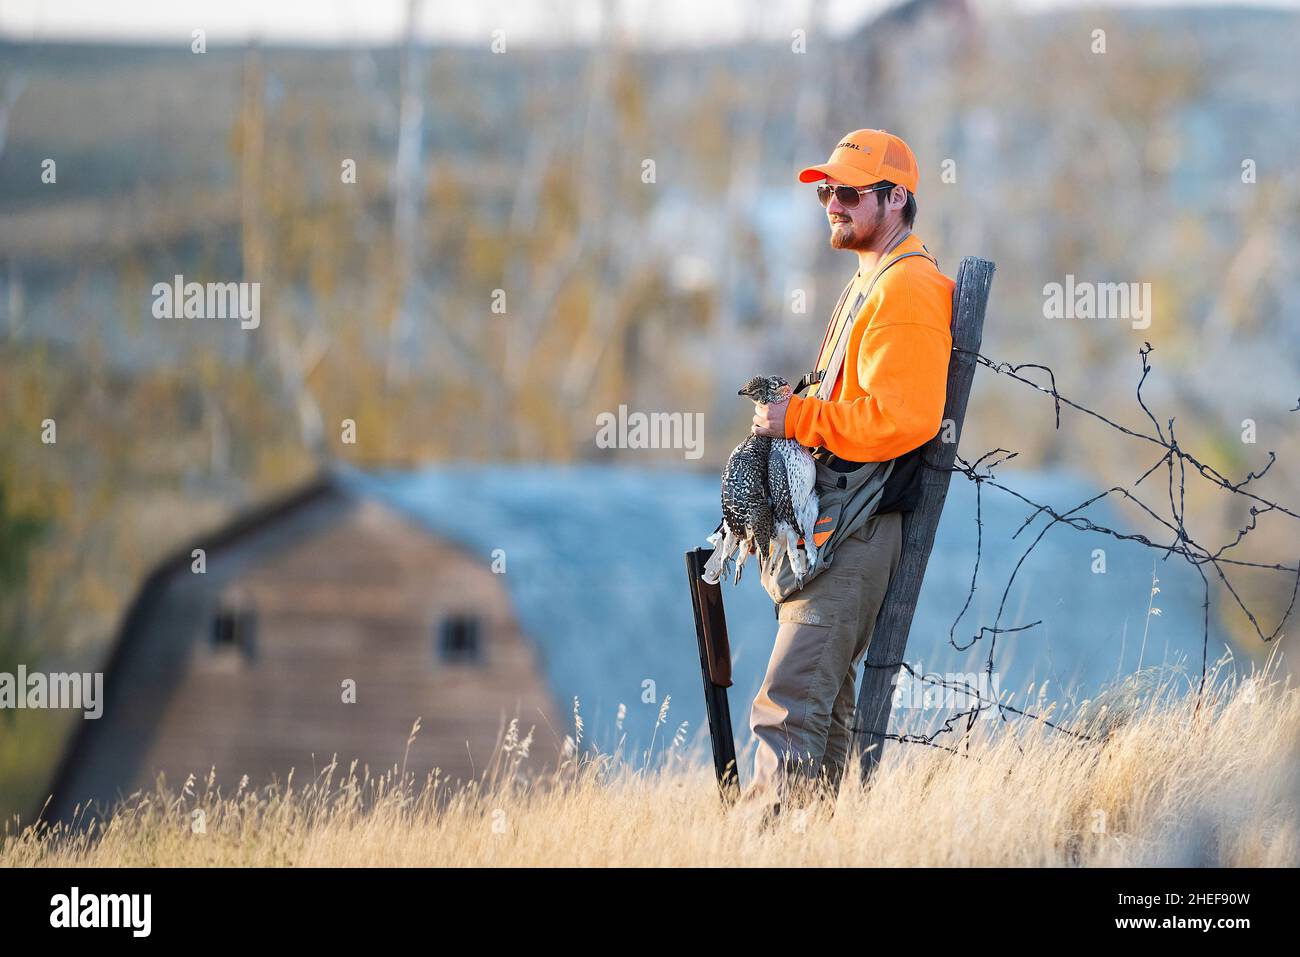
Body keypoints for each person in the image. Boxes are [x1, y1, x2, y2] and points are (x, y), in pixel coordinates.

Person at [747, 128, 955, 810]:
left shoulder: (908, 290)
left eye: (847, 191)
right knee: (825, 714)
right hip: (839, 524)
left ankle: (761, 850)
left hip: (856, 532)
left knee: (786, 710)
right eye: (824, 191)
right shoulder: (873, 279)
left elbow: (903, 418)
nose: (830, 202)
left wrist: (797, 421)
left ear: (897, 198)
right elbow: (855, 402)